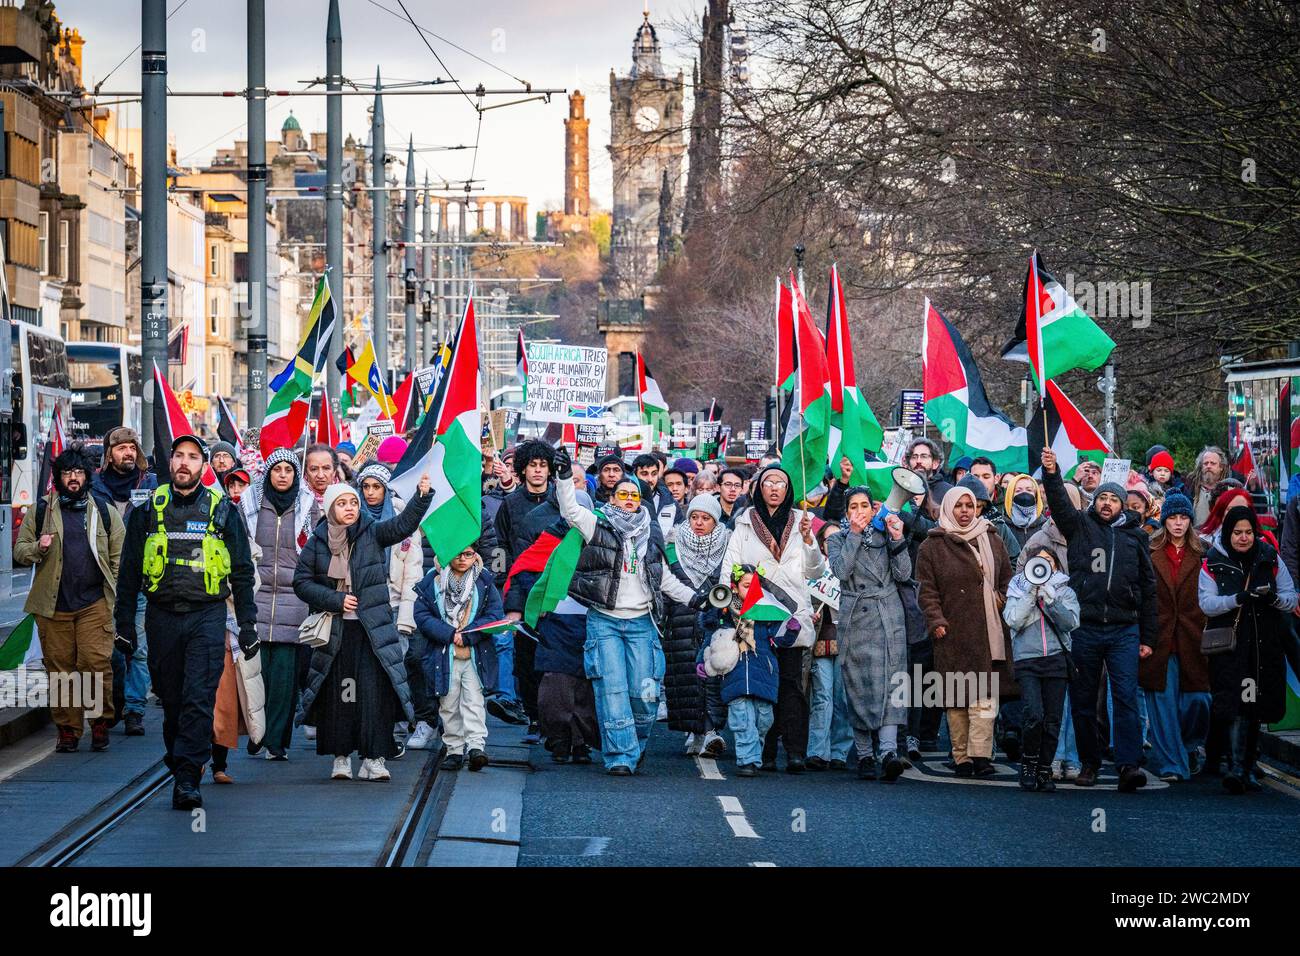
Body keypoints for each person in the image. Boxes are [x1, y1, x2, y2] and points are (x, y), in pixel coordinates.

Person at [114, 435, 258, 810]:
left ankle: (188, 776)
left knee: (198, 699)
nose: (184, 463)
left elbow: (242, 572)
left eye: (193, 457)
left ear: (204, 466)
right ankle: (180, 759)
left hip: (207, 616)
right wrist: (124, 625)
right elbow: (128, 572)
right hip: (162, 617)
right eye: (178, 455)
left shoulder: (223, 510)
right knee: (173, 700)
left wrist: (248, 626)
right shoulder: (147, 511)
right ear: (170, 461)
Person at [553, 446, 695, 775]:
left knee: (644, 695)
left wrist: (696, 598)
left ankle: (635, 742)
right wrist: (563, 477)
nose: (629, 498)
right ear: (613, 499)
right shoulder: (597, 524)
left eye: (634, 494)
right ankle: (620, 757)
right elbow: (570, 510)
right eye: (622, 494)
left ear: (641, 499)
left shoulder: (650, 533)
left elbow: (666, 581)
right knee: (612, 689)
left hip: (642, 624)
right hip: (605, 622)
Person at [294, 476, 433, 782]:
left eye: (353, 503)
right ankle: (341, 758)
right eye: (342, 503)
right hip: (336, 632)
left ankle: (375, 758)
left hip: (373, 631)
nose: (350, 508)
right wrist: (336, 599)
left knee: (374, 695)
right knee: (340, 696)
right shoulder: (318, 541)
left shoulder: (372, 533)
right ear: (330, 508)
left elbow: (401, 526)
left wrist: (422, 497)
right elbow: (301, 583)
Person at [1040, 447, 1156, 792]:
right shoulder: (1080, 527)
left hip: (1124, 629)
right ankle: (1089, 763)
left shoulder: (1136, 537)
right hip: (1085, 627)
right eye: (1102, 497)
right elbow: (1060, 502)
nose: (1107, 503)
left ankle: (1128, 764)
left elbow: (1149, 589)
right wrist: (1051, 472)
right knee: (1084, 698)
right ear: (1095, 502)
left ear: (1123, 505)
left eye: (1114, 499)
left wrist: (1148, 637)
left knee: (1124, 696)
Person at [16, 445, 124, 753]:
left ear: (87, 477)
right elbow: (20, 551)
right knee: (60, 669)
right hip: (54, 608)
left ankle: (99, 721)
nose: (73, 479)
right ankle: (68, 730)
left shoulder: (103, 510)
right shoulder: (41, 510)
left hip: (94, 605)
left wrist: (114, 594)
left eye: (78, 473)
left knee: (94, 663)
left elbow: (120, 553)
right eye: (67, 473)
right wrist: (39, 546)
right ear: (58, 477)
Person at [719, 463, 825, 773]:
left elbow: (816, 571)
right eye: (768, 482)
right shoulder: (744, 524)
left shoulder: (802, 522)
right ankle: (762, 753)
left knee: (792, 684)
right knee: (760, 683)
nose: (775, 487)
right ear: (758, 488)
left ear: (788, 488)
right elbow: (731, 568)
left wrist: (808, 541)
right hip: (755, 617)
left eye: (780, 482)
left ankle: (794, 751)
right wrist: (732, 603)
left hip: (791, 615)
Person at [1198, 505, 1298, 793]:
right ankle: (1236, 766)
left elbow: (1290, 596)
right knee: (1236, 705)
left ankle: (1246, 767)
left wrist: (1274, 599)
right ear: (1228, 533)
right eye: (1237, 533)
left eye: (1249, 532)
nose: (1243, 538)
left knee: (1254, 706)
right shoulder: (1213, 562)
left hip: (1263, 646)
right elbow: (1207, 604)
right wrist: (1239, 598)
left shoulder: (1270, 557)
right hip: (1230, 648)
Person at [916, 485, 1013, 777]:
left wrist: (1004, 600)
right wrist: (936, 621)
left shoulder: (992, 538)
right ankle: (962, 758)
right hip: (953, 631)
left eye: (969, 505)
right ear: (948, 508)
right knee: (957, 698)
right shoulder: (931, 546)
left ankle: (980, 756)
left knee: (984, 696)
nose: (965, 511)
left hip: (988, 629)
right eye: (958, 506)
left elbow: (1008, 579)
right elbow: (926, 591)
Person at [826, 487, 912, 781]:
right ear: (846, 511)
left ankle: (888, 752)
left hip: (888, 615)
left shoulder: (886, 537)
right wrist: (853, 534)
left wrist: (898, 538)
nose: (860, 511)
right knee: (859, 686)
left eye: (865, 505)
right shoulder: (837, 538)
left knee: (891, 684)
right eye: (854, 506)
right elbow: (841, 570)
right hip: (856, 617)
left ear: (874, 509)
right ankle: (864, 755)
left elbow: (903, 574)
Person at [509, 484, 598, 765]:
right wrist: (544, 594)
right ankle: (559, 739)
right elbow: (524, 569)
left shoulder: (600, 539)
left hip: (590, 621)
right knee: (554, 687)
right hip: (556, 622)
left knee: (585, 689)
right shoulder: (551, 536)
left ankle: (581, 742)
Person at [240, 446, 315, 761]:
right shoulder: (249, 505)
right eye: (277, 469)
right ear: (268, 474)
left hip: (293, 600)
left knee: (283, 679)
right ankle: (256, 730)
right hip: (256, 599)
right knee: (255, 676)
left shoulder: (308, 507)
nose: (283, 475)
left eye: (288, 470)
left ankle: (275, 741)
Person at [356, 464, 431, 749]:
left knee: (397, 668)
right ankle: (373, 726)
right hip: (365, 605)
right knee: (370, 669)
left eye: (377, 487)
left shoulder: (402, 516)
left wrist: (407, 617)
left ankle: (399, 727)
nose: (371, 493)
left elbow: (413, 570)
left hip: (397, 603)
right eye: (366, 487)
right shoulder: (352, 516)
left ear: (386, 490)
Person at [700, 566, 801, 776]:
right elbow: (710, 636)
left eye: (755, 585)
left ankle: (754, 754)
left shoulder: (766, 614)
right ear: (735, 588)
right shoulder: (726, 613)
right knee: (742, 720)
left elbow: (781, 641)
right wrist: (702, 661)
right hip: (735, 676)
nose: (751, 589)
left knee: (763, 721)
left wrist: (791, 629)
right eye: (746, 585)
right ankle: (748, 761)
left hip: (764, 675)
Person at [91, 426, 158, 738]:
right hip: (102, 583)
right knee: (108, 650)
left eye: (132, 447)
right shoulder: (94, 487)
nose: (128, 453)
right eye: (121, 448)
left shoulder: (151, 484)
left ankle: (134, 710)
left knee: (139, 649)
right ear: (109, 454)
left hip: (140, 582)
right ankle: (112, 703)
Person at [1141, 493, 1212, 782]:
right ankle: (1173, 764)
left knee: (1199, 700)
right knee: (1162, 704)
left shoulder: (1204, 552)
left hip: (1194, 635)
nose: (1178, 523)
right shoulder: (1149, 549)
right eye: (1173, 517)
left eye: (1183, 518)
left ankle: (1188, 746)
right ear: (1164, 520)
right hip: (1159, 636)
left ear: (1190, 521)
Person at [413, 544, 501, 772]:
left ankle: (475, 746)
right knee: (448, 702)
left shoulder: (485, 581)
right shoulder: (432, 581)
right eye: (457, 553)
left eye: (468, 554)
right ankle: (453, 749)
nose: (462, 559)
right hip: (443, 654)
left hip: (474, 653)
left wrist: (470, 635)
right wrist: (450, 634)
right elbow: (422, 616)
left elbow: (494, 615)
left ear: (476, 555)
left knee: (474, 700)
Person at [1003, 546, 1080, 791]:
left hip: (1056, 659)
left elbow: (1071, 623)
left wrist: (1051, 599)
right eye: (1038, 560)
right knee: (1033, 714)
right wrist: (1030, 595)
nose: (1043, 565)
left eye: (1048, 561)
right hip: (1027, 659)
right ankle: (1029, 763)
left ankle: (1045, 769)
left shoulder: (1065, 591)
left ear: (1056, 565)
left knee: (1053, 719)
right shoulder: (1017, 588)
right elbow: (1013, 620)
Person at [493, 440, 557, 733]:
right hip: (521, 586)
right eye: (533, 465)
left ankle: (552, 716)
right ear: (523, 469)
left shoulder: (561, 501)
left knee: (554, 655)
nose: (538, 471)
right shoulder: (510, 504)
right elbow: (501, 547)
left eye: (543, 465)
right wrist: (506, 588)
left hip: (556, 589)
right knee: (526, 654)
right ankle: (532, 715)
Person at [663, 494, 731, 757]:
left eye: (705, 518)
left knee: (713, 676)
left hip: (714, 621)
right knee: (686, 678)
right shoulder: (673, 543)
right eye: (694, 517)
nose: (699, 523)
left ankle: (711, 730)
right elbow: (665, 582)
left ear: (715, 520)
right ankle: (695, 730)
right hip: (680, 620)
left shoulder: (728, 543)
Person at [807, 521, 854, 770]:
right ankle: (817, 750)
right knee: (822, 696)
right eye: (828, 539)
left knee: (843, 697)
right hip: (821, 639)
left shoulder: (852, 568)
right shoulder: (815, 570)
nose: (833, 543)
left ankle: (839, 751)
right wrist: (809, 611)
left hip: (847, 640)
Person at [958, 473, 1022, 564]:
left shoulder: (997, 527)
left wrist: (1003, 577)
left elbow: (1015, 560)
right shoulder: (942, 528)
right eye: (968, 506)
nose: (971, 511)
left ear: (984, 507)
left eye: (978, 506)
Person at [1187, 446, 1230, 527]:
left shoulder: (1228, 489)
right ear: (1201, 466)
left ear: (1221, 467)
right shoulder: (1191, 487)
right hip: (1195, 536)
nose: (1208, 466)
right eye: (1205, 463)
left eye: (1213, 463)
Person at [1002, 473, 1047, 548]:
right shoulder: (1002, 527)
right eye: (1018, 491)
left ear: (1036, 495)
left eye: (1029, 490)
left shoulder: (1045, 526)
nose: (1024, 493)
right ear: (1010, 496)